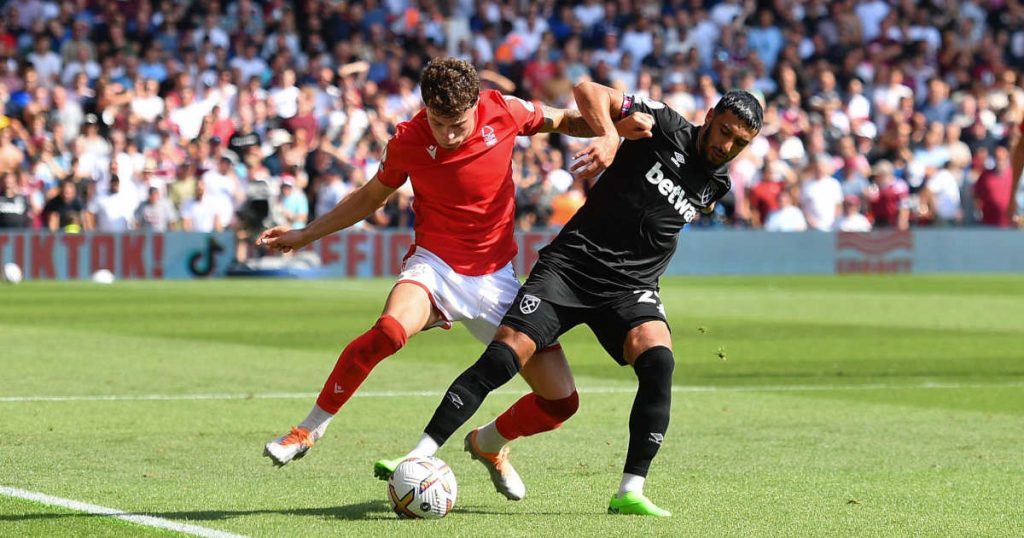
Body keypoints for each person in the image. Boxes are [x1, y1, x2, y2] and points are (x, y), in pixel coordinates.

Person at [255, 58, 653, 492]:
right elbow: (371, 196)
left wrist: (611, 126)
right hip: (435, 266)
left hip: (497, 278)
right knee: (388, 330)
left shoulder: (504, 110)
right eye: (438, 122)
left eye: (457, 124)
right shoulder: (408, 139)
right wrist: (306, 234)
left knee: (561, 402)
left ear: (474, 107)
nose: (448, 134)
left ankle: (490, 443)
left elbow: (564, 120)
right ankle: (310, 428)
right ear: (425, 106)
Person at [375, 83, 762, 517]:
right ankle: (418, 455)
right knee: (505, 356)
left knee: (659, 363)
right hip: (570, 268)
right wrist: (611, 135)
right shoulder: (662, 123)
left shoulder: (717, 183)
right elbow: (587, 89)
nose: (726, 146)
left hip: (630, 289)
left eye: (739, 143)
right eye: (724, 132)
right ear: (709, 117)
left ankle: (629, 490)